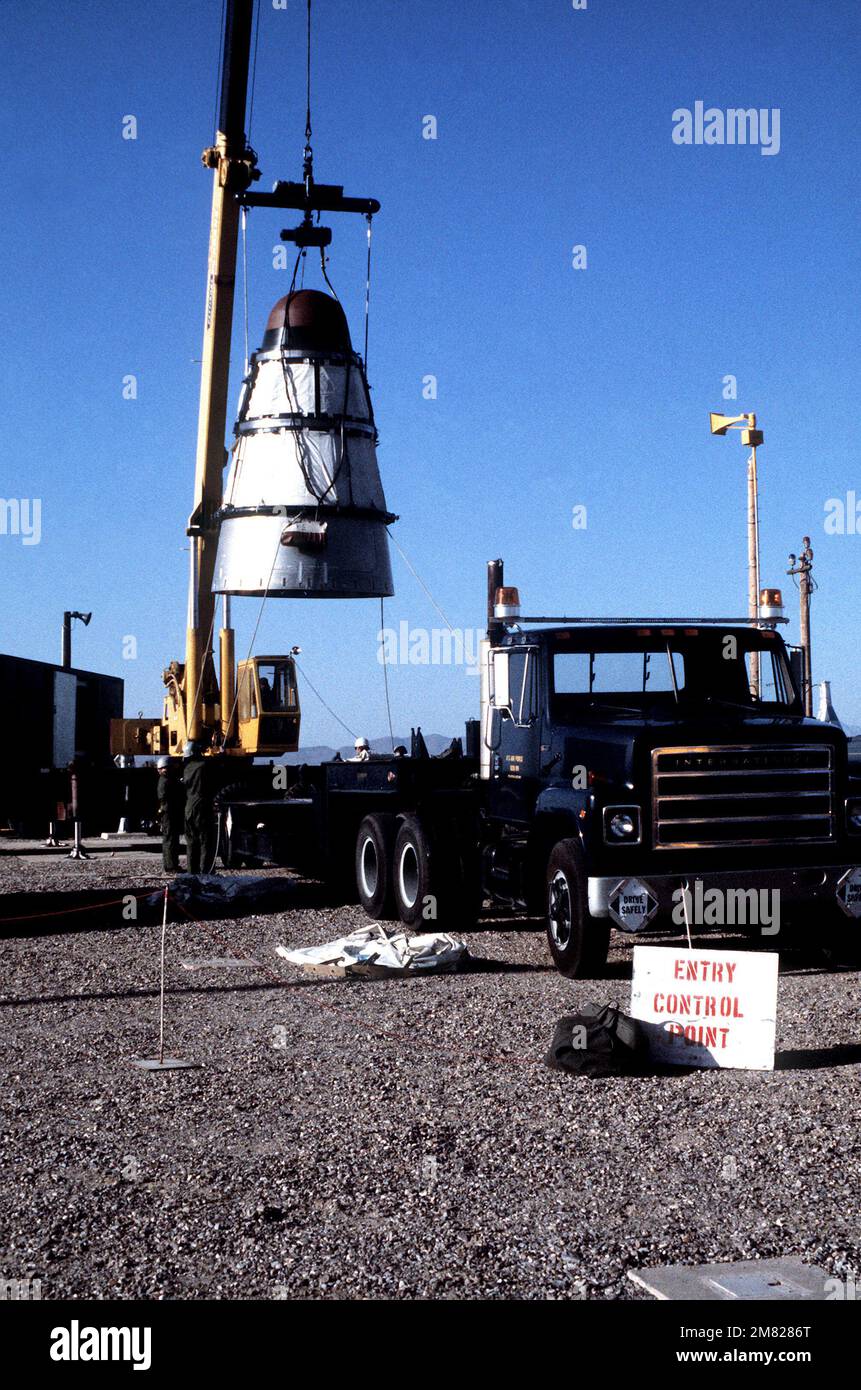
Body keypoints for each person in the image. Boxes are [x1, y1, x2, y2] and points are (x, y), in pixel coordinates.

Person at [183, 740, 216, 874]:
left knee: (192, 842)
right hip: (202, 806)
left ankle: (192, 872)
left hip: (189, 807)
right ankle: (206, 873)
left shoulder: (187, 769)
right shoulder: (204, 766)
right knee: (206, 841)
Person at [156, 755, 185, 873]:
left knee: (169, 839)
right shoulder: (167, 781)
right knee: (171, 840)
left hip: (168, 812)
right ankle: (171, 865)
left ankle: (170, 864)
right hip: (169, 813)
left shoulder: (166, 780)